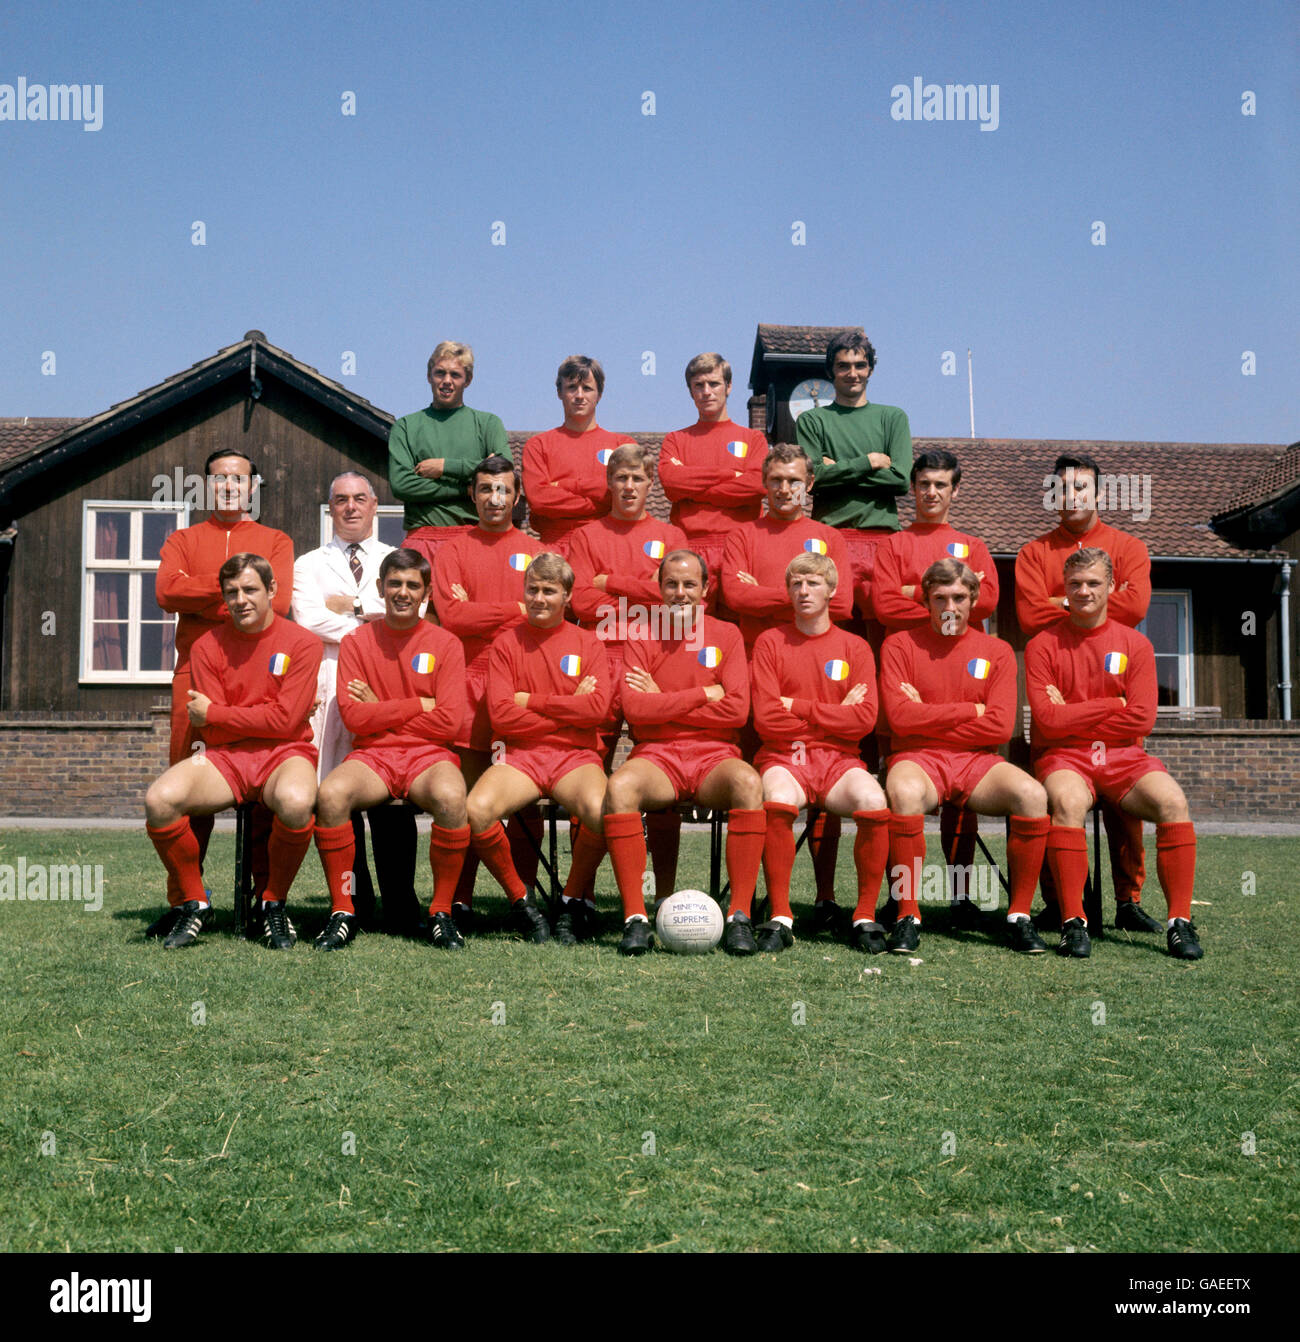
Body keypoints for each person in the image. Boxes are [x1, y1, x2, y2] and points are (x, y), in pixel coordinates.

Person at [1025, 549, 1202, 960]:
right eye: (1074, 584)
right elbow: (1047, 723)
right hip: (1064, 756)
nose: (1083, 591)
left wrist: (1071, 712)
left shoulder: (1135, 644)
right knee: (1067, 802)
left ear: (1111, 587)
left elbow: (1141, 720)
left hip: (1124, 756)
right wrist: (1111, 705)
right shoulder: (1042, 645)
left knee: (1173, 801)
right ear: (1063, 589)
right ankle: (1073, 922)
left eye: (1093, 583)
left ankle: (1179, 922)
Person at [143, 554, 320, 951]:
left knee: (295, 802)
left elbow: (286, 723)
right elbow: (209, 727)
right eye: (232, 592)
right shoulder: (206, 646)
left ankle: (272, 902)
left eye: (250, 589)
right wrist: (257, 715)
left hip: (285, 753)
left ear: (272, 590)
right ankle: (195, 902)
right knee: (160, 799)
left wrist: (222, 712)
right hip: (226, 757)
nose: (241, 600)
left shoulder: (303, 643)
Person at [878, 559, 1051, 956]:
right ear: (926, 601)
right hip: (919, 757)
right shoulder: (900, 644)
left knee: (1032, 795)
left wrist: (930, 714)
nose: (949, 607)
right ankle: (907, 913)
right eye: (940, 598)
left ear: (974, 599)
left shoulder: (998, 650)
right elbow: (901, 720)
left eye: (958, 597)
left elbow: (999, 727)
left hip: (977, 761)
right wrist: (969, 709)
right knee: (902, 791)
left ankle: (1020, 916)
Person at [1015, 452, 1158, 932]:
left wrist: (1062, 600)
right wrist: (1086, 605)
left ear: (1099, 493)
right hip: (1060, 697)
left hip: (1116, 689)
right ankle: (1062, 903)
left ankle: (1128, 901)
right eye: (1061, 489)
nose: (1070, 497)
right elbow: (1030, 618)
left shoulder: (1129, 547)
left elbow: (1135, 607)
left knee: (1125, 809)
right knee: (1059, 803)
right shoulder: (1034, 553)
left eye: (1080, 488)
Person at [152, 451, 293, 925]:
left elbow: (283, 601)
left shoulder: (275, 540)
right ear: (206, 485)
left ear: (253, 485)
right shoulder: (184, 538)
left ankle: (264, 898)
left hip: (258, 673)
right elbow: (166, 591)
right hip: (195, 672)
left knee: (264, 783)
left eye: (239, 479)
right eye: (219, 479)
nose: (229, 486)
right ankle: (187, 900)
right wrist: (235, 588)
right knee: (189, 786)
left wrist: (202, 593)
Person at [602, 551, 766, 957]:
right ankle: (636, 917)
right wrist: (700, 695)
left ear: (706, 589)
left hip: (715, 755)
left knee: (747, 781)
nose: (680, 593)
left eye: (689, 584)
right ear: (659, 589)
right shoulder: (642, 634)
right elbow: (636, 710)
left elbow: (737, 709)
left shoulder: (726, 635)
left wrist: (663, 700)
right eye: (671, 584)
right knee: (621, 786)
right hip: (657, 754)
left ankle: (740, 916)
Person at [719, 441, 853, 929]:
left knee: (826, 785)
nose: (784, 488)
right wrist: (802, 593)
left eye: (794, 480)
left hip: (817, 673)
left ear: (809, 484)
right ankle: (754, 897)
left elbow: (842, 604)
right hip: (759, 670)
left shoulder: (827, 537)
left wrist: (768, 592)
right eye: (775, 480)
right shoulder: (743, 534)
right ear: (763, 483)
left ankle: (824, 898)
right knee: (761, 791)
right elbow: (735, 593)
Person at [312, 549, 470, 951]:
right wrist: (419, 704)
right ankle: (343, 910)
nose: (403, 592)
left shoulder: (446, 644)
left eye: (412, 585)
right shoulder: (356, 642)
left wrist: (379, 706)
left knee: (452, 798)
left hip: (428, 755)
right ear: (380, 588)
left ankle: (441, 912)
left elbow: (450, 723)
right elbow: (354, 718)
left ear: (427, 593)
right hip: (374, 755)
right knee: (330, 795)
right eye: (395, 584)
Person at [873, 448, 999, 925]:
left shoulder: (973, 543)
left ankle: (961, 893)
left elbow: (986, 606)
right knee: (898, 789)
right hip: (910, 673)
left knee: (963, 791)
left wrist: (912, 592)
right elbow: (883, 606)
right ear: (912, 488)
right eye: (923, 483)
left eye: (941, 484)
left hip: (966, 673)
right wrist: (931, 605)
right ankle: (899, 897)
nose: (931, 492)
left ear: (955, 490)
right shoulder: (894, 545)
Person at [292, 472, 421, 933]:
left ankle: (402, 903)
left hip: (389, 678)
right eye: (341, 500)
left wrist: (355, 607)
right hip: (331, 682)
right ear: (330, 508)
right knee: (337, 795)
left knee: (392, 794)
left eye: (360, 499)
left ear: (374, 506)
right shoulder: (307, 565)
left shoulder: (396, 558)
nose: (351, 507)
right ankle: (354, 900)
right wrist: (378, 618)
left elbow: (415, 612)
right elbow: (309, 618)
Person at [464, 553, 612, 945]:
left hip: (576, 757)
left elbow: (597, 710)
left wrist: (532, 701)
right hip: (522, 757)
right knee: (477, 809)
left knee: (603, 811)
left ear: (567, 596)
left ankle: (569, 901)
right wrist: (568, 710)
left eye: (549, 591)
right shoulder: (506, 644)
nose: (539, 598)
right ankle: (521, 901)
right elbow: (501, 717)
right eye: (533, 589)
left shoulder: (588, 642)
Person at [751, 554, 890, 953]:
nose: (803, 591)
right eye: (795, 584)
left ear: (832, 590)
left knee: (873, 800)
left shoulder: (855, 647)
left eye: (812, 583)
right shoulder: (770, 642)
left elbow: (863, 721)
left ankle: (863, 916)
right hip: (784, 756)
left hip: (839, 760)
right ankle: (781, 916)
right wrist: (835, 713)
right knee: (777, 798)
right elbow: (765, 719)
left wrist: (796, 705)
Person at [567, 444, 688, 899]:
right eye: (621, 478)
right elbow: (580, 602)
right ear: (610, 483)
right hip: (599, 658)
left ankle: (666, 893)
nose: (629, 486)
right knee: (587, 767)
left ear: (650, 484)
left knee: (662, 763)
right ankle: (578, 892)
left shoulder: (671, 534)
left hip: (657, 657)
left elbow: (676, 599)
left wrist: (611, 582)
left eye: (638, 478)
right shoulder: (587, 534)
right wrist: (643, 592)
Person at [431, 455, 546, 922]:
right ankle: (460, 899)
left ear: (516, 497)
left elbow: (545, 616)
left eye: (503, 490)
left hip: (526, 680)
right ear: (472, 495)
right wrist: (516, 608)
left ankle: (524, 899)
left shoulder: (538, 552)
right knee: (470, 792)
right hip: (470, 683)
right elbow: (453, 617)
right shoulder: (453, 551)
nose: (494, 499)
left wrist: (484, 610)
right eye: (485, 490)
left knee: (526, 794)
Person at [794, 329, 912, 627]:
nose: (852, 373)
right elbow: (814, 480)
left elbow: (900, 480)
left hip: (883, 536)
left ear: (870, 368)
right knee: (831, 625)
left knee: (884, 626)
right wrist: (869, 462)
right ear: (830, 371)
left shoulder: (892, 417)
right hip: (831, 536)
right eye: (843, 366)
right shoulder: (813, 420)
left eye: (860, 365)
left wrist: (838, 469)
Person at [658, 352, 768, 611]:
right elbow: (671, 483)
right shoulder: (676, 439)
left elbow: (756, 486)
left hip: (740, 547)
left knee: (741, 626)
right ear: (691, 391)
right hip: (691, 547)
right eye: (699, 385)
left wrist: (693, 485)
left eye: (714, 384)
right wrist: (730, 474)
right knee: (691, 631)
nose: (706, 392)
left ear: (729, 386)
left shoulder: (753, 439)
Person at [388, 341, 509, 571]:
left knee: (473, 607)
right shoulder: (405, 426)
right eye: (440, 373)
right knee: (422, 608)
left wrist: (445, 467)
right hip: (421, 539)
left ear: (468, 380)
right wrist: (467, 489)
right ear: (429, 375)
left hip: (474, 536)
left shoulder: (488, 423)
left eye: (455, 374)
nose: (446, 381)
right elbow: (401, 485)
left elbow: (503, 474)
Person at [522, 355, 632, 552]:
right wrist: (600, 504)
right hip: (555, 546)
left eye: (587, 388)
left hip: (607, 544)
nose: (580, 395)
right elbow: (539, 500)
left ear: (599, 394)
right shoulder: (538, 446)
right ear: (560, 392)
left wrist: (566, 485)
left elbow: (623, 494)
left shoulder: (623, 445)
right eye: (572, 387)